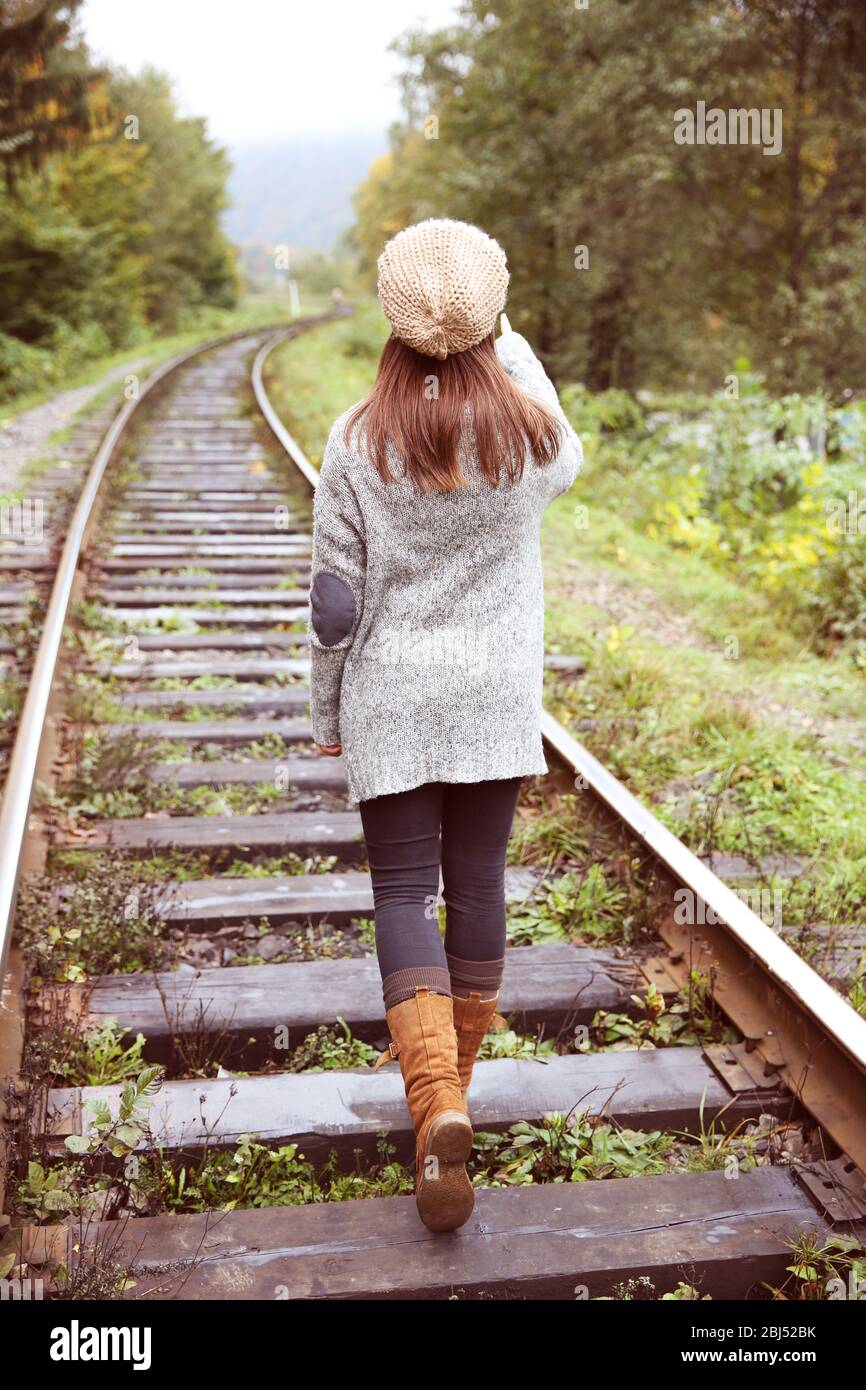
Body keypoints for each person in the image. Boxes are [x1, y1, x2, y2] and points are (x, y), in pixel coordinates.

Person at [309, 218, 582, 1232]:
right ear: (492, 318)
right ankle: (452, 1094)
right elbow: (543, 401)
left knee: (400, 891)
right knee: (476, 885)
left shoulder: (353, 441)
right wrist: (499, 333)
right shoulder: (533, 436)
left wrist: (322, 708)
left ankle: (434, 1106)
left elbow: (334, 603)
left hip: (390, 695)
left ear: (392, 318)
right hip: (491, 696)